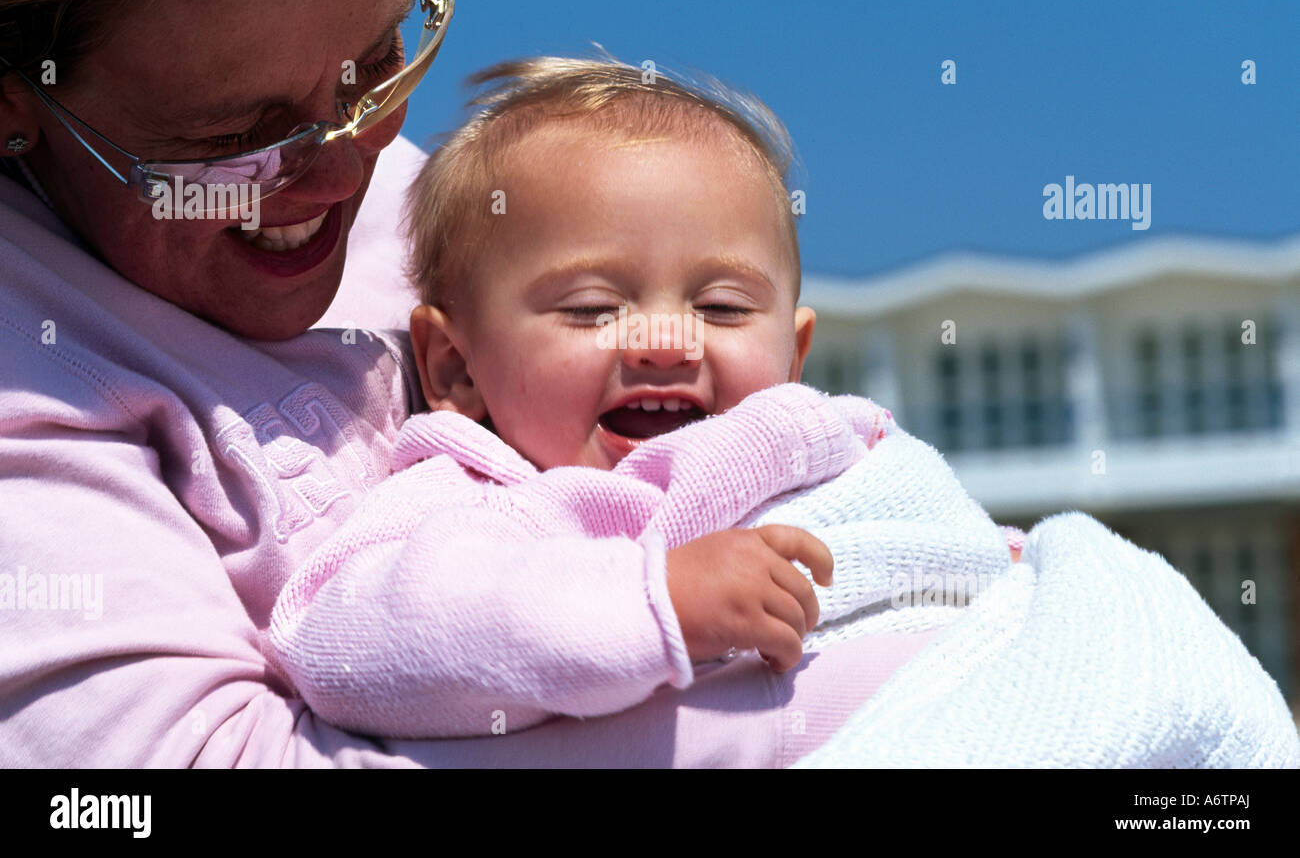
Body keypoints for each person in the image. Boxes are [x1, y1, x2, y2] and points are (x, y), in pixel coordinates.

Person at [0, 0, 972, 768]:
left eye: (381, 63)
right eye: (234, 139)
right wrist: (866, 692)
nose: (349, 176)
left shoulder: (440, 204)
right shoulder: (29, 388)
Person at [267, 55, 970, 740]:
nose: (665, 341)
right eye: (591, 307)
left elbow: (953, 555)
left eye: (722, 307)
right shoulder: (477, 503)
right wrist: (648, 599)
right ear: (457, 369)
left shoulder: (834, 445)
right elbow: (347, 643)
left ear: (795, 355)